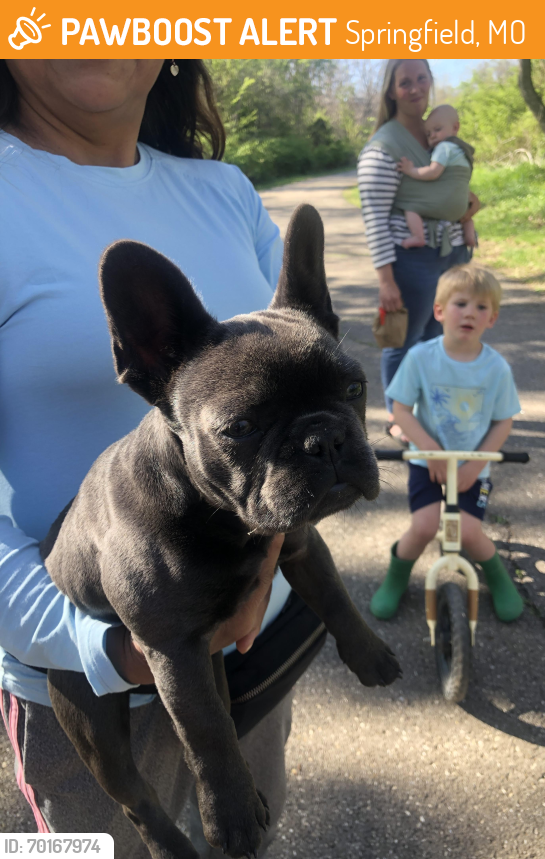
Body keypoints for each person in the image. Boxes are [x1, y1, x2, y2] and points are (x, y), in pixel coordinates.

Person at [0, 59, 294, 858]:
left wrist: (268, 559)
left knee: (247, 838)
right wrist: (112, 646)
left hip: (251, 647)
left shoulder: (225, 190)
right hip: (84, 683)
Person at [369, 264, 524, 624]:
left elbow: (504, 420)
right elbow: (402, 412)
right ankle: (396, 576)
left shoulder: (496, 368)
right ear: (439, 311)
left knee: (469, 532)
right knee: (424, 527)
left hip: (473, 466)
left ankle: (499, 579)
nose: (470, 312)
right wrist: (431, 450)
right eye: (461, 303)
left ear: (493, 319)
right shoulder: (421, 358)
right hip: (428, 462)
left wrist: (474, 465)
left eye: (481, 307)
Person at [357, 59, 481, 443]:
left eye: (421, 79)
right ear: (391, 91)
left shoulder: (438, 136)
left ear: (431, 82)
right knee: (403, 342)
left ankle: (424, 409)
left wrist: (468, 217)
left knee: (435, 340)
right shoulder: (384, 147)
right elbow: (375, 216)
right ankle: (398, 418)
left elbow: (457, 191)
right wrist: (385, 280)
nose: (415, 88)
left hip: (451, 255)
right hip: (411, 262)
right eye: (405, 82)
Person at [397, 104, 477, 249]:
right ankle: (470, 236)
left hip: (445, 204)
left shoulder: (444, 147)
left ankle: (418, 236)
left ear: (455, 128)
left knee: (410, 208)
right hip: (461, 207)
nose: (432, 135)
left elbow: (433, 172)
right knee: (468, 218)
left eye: (437, 129)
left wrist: (411, 171)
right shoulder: (464, 151)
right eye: (428, 133)